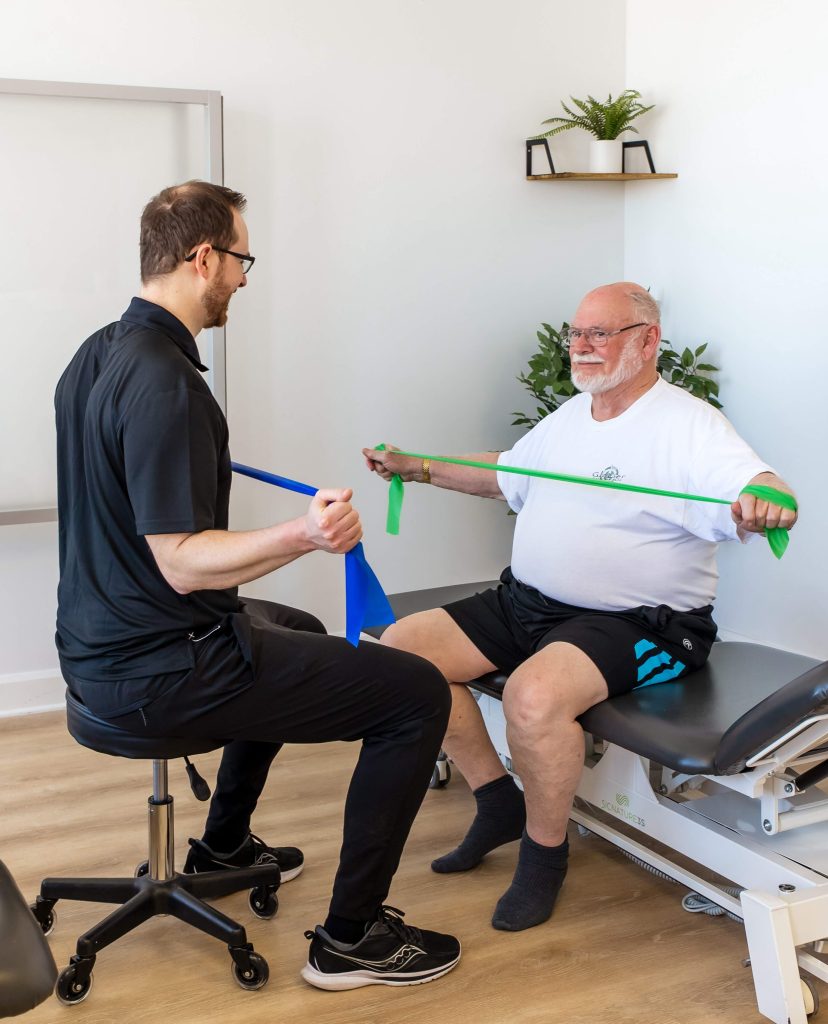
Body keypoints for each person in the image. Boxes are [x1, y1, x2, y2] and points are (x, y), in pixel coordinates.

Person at [54, 180, 460, 990]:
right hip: (162, 670)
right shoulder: (166, 383)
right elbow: (180, 559)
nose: (244, 277)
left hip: (97, 646)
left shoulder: (97, 353)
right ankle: (352, 940)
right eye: (242, 259)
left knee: (298, 626)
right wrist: (307, 534)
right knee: (416, 695)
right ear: (203, 258)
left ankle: (225, 844)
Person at [362, 282, 798, 933]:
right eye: (578, 333)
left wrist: (768, 495)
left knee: (533, 699)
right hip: (530, 603)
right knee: (403, 651)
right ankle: (495, 799)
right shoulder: (572, 415)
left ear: (648, 342)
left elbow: (755, 481)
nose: (583, 346)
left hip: (642, 624)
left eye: (602, 333)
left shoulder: (689, 424)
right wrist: (419, 467)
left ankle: (543, 859)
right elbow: (507, 471)